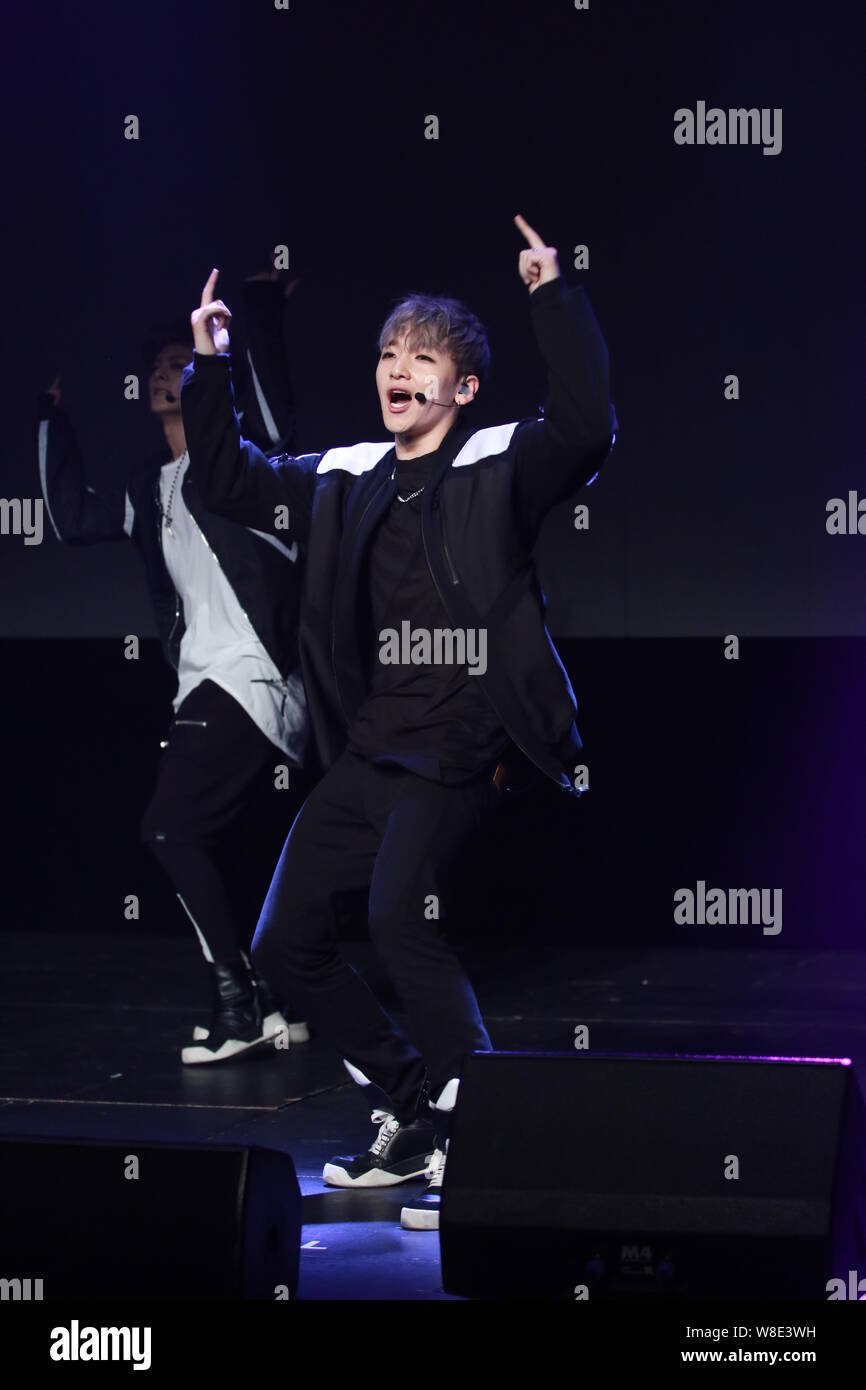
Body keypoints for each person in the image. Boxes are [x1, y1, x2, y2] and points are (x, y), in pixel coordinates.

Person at [180, 215, 617, 1228]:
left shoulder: (500, 459)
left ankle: (480, 1135)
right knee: (283, 940)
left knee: (393, 916)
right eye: (387, 353)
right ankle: (411, 1106)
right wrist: (211, 364)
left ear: (462, 387)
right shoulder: (346, 474)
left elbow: (587, 426)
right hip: (373, 743)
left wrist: (551, 295)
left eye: (422, 357)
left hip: (464, 741)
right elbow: (229, 477)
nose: (397, 370)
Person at [37, 271, 311, 1064]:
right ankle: (272, 997)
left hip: (250, 674)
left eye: (178, 363)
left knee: (169, 826)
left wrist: (252, 320)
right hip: (206, 680)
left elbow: (268, 416)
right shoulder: (146, 487)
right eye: (156, 367)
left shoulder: (240, 468)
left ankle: (239, 1002)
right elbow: (70, 520)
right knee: (217, 842)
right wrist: (50, 420)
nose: (165, 375)